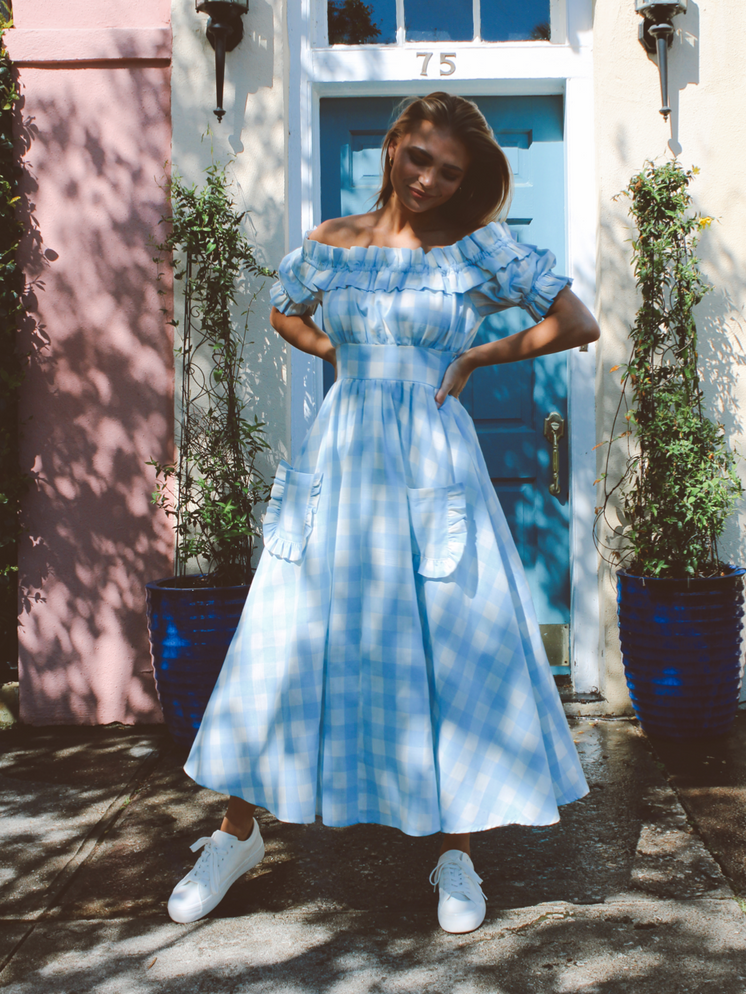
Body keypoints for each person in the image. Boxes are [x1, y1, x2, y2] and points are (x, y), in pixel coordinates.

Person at [168, 92, 600, 933]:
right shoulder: (333, 244)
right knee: (287, 635)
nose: (432, 179)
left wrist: (477, 353)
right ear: (394, 146)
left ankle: (457, 855)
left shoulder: (479, 250)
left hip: (435, 461)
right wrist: (341, 354)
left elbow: (574, 321)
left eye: (451, 171)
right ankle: (237, 832)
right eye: (421, 158)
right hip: (342, 456)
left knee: (450, 637)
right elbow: (283, 311)